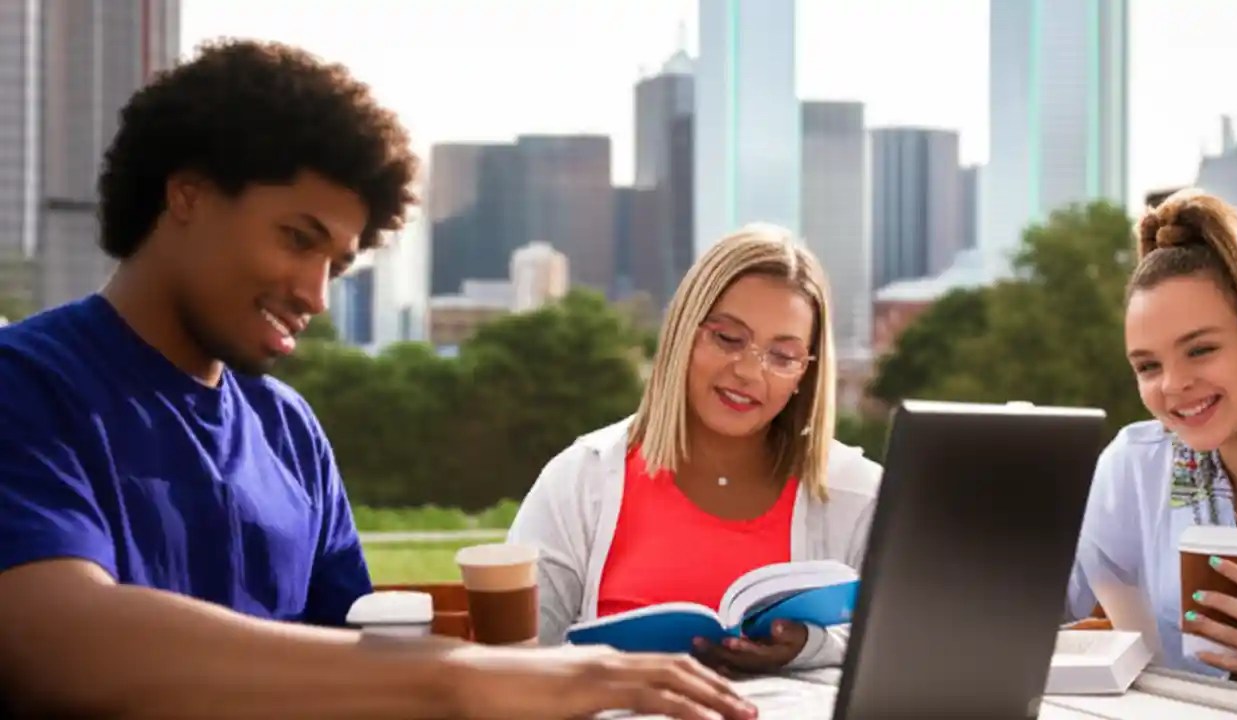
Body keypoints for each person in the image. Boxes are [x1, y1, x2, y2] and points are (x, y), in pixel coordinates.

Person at [0, 39, 757, 720]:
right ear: (187, 194)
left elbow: (361, 668)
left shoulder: (286, 429)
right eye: (297, 239)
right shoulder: (26, 387)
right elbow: (54, 643)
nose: (315, 294)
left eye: (336, 264)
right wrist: (461, 676)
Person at [508, 225, 883, 674]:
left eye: (782, 356)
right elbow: (514, 663)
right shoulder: (578, 480)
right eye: (728, 338)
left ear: (805, 373)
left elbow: (913, 650)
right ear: (685, 331)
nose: (747, 370)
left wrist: (809, 646)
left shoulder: (860, 495)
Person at [1067, 189, 1237, 688]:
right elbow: (1047, 610)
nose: (1173, 385)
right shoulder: (1137, 467)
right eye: (1148, 366)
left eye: (1201, 349)